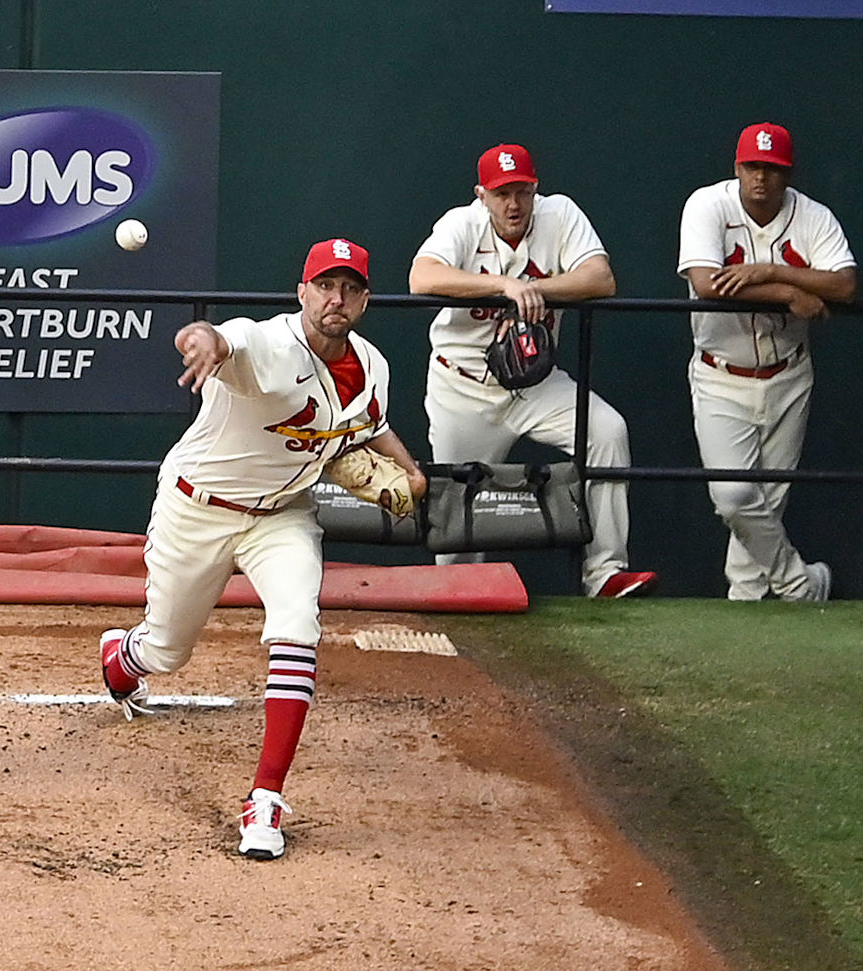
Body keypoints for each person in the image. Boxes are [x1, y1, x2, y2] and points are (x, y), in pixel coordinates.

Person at [98, 236, 414, 863]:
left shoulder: (372, 365)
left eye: (350, 288)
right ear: (303, 293)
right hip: (199, 508)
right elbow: (221, 338)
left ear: (365, 301)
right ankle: (125, 656)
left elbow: (373, 429)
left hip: (283, 518)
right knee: (167, 649)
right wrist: (203, 343)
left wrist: (410, 475)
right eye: (325, 285)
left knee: (298, 625)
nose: (336, 298)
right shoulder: (268, 346)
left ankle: (265, 797)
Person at [404, 142, 650, 599]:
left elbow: (600, 277)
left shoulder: (560, 215)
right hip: (464, 385)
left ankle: (605, 572)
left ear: (536, 188)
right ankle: (459, 596)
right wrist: (504, 286)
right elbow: (421, 277)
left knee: (607, 431)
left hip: (535, 383)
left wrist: (535, 289)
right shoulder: (462, 223)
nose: (513, 204)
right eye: (501, 194)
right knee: (458, 508)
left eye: (522, 191)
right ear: (481, 195)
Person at [676, 121, 855, 605]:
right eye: (752, 166)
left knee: (768, 503)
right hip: (721, 372)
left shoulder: (813, 216)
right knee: (734, 498)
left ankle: (746, 600)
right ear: (737, 168)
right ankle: (802, 585)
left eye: (772, 169)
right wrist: (787, 292)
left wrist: (772, 270)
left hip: (788, 372)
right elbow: (708, 283)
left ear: (787, 174)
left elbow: (844, 285)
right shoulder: (708, 205)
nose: (761, 177)